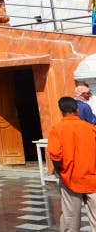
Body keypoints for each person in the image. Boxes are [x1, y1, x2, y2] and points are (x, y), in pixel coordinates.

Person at [48, 96, 96, 231]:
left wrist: (60, 171)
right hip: (93, 178)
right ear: (77, 109)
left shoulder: (57, 129)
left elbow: (55, 156)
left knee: (70, 218)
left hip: (70, 179)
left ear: (61, 110)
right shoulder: (91, 128)